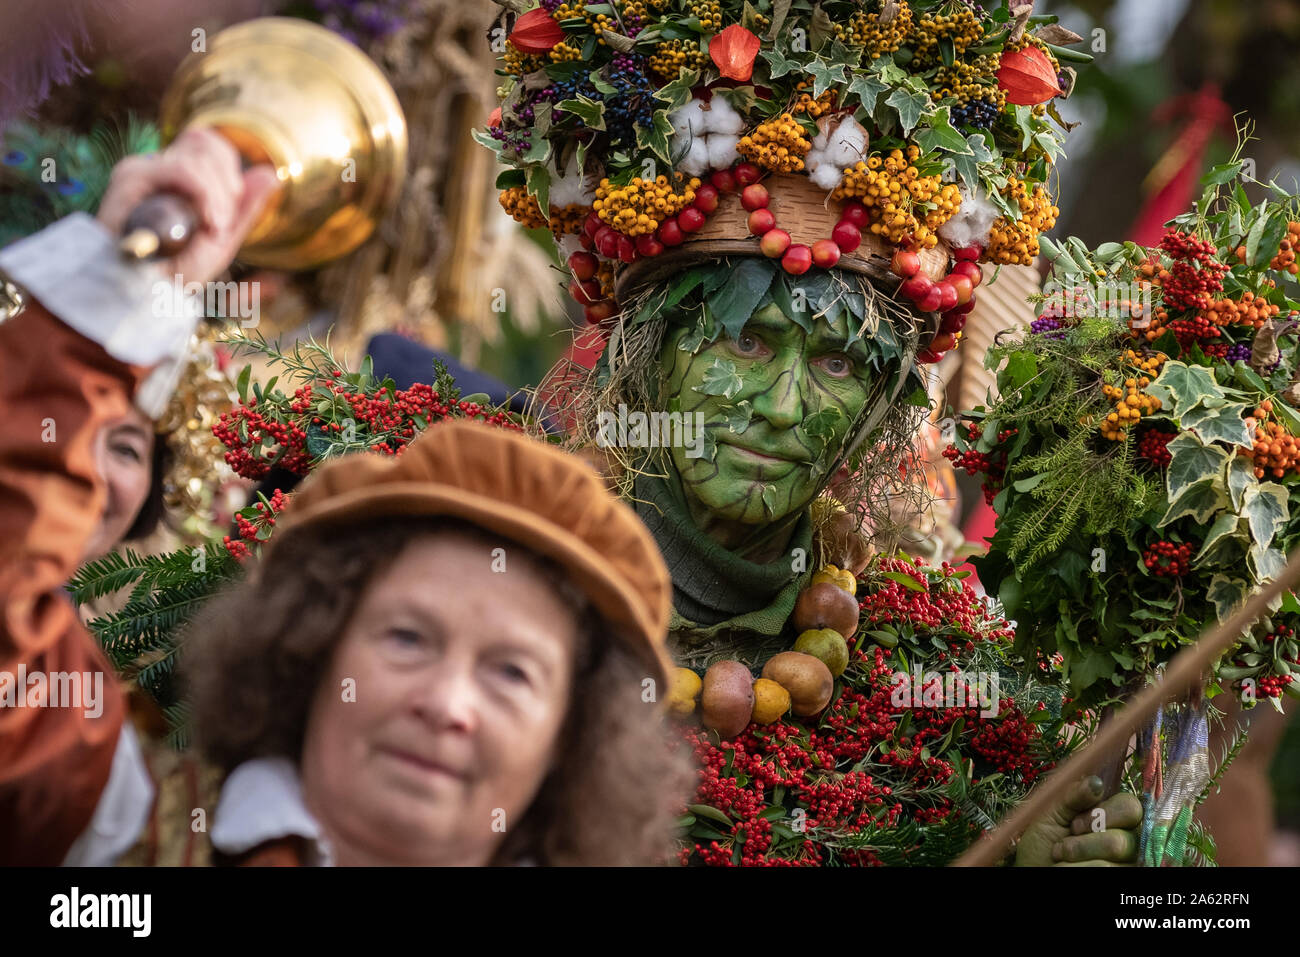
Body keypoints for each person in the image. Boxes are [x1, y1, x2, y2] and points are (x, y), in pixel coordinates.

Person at [0, 128, 690, 865]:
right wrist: (119, 289)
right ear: (309, 656)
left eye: (512, 672)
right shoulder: (126, 837)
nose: (446, 704)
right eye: (406, 638)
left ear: (571, 740)